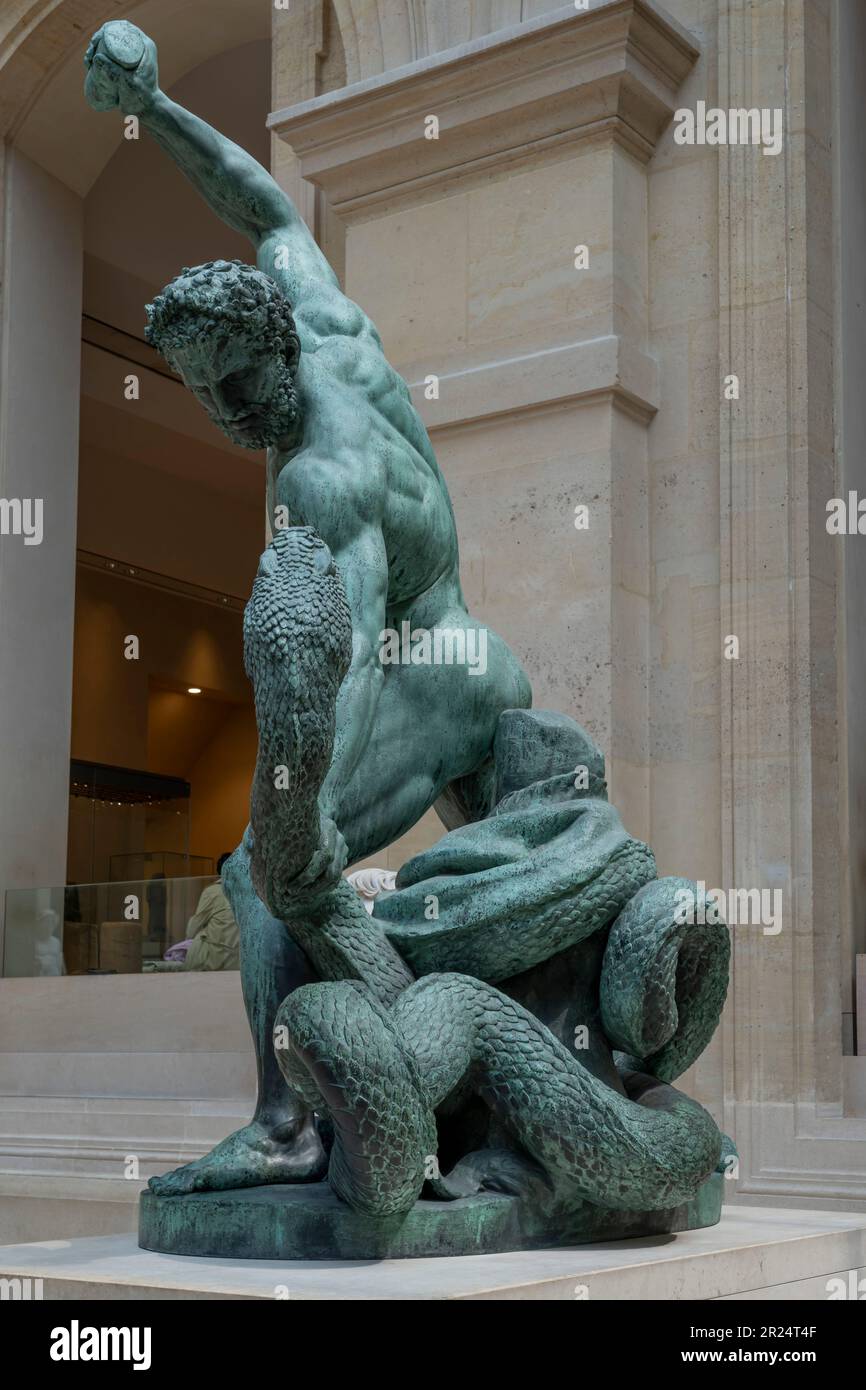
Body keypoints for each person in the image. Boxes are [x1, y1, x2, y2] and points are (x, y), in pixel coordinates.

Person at [85, 22, 531, 1194]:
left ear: (268, 352)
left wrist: (303, 814)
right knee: (481, 903)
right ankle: (490, 1103)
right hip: (472, 665)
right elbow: (269, 211)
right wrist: (155, 104)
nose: (228, 418)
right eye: (202, 395)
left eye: (235, 389)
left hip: (427, 671)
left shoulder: (321, 478)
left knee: (258, 870)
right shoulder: (320, 319)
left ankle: (286, 1121)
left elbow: (354, 654)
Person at [183, 854, 240, 972]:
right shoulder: (248, 893)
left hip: (217, 960)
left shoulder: (212, 892)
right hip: (239, 960)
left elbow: (191, 929)